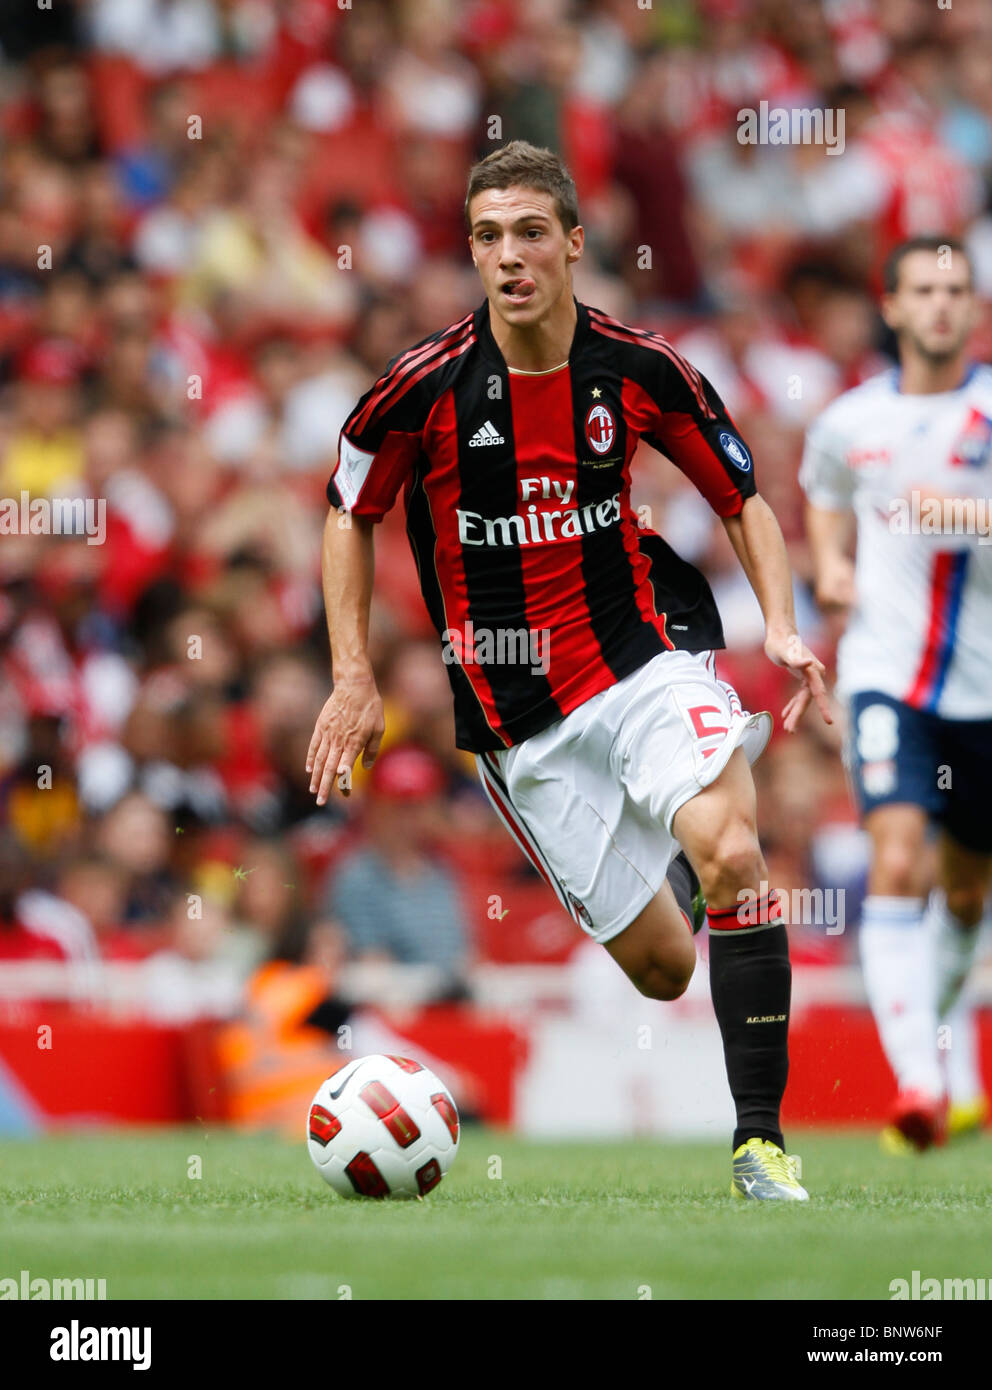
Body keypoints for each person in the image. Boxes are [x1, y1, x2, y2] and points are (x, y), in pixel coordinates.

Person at [309, 141, 831, 1199]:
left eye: (530, 233)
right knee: (663, 970)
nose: (509, 256)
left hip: (640, 659)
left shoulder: (641, 369)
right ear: (471, 251)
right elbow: (345, 510)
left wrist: (776, 624)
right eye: (488, 237)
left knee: (733, 851)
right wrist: (353, 674)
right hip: (519, 724)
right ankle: (678, 857)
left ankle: (758, 1140)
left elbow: (742, 497)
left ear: (574, 244)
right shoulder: (420, 388)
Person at [802, 235, 992, 1151]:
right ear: (892, 305)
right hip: (888, 675)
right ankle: (918, 1085)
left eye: (956, 289)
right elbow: (824, 494)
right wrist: (832, 565)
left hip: (985, 691)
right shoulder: (849, 422)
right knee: (898, 856)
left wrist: (957, 513)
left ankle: (942, 1061)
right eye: (924, 289)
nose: (942, 305)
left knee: (964, 896)